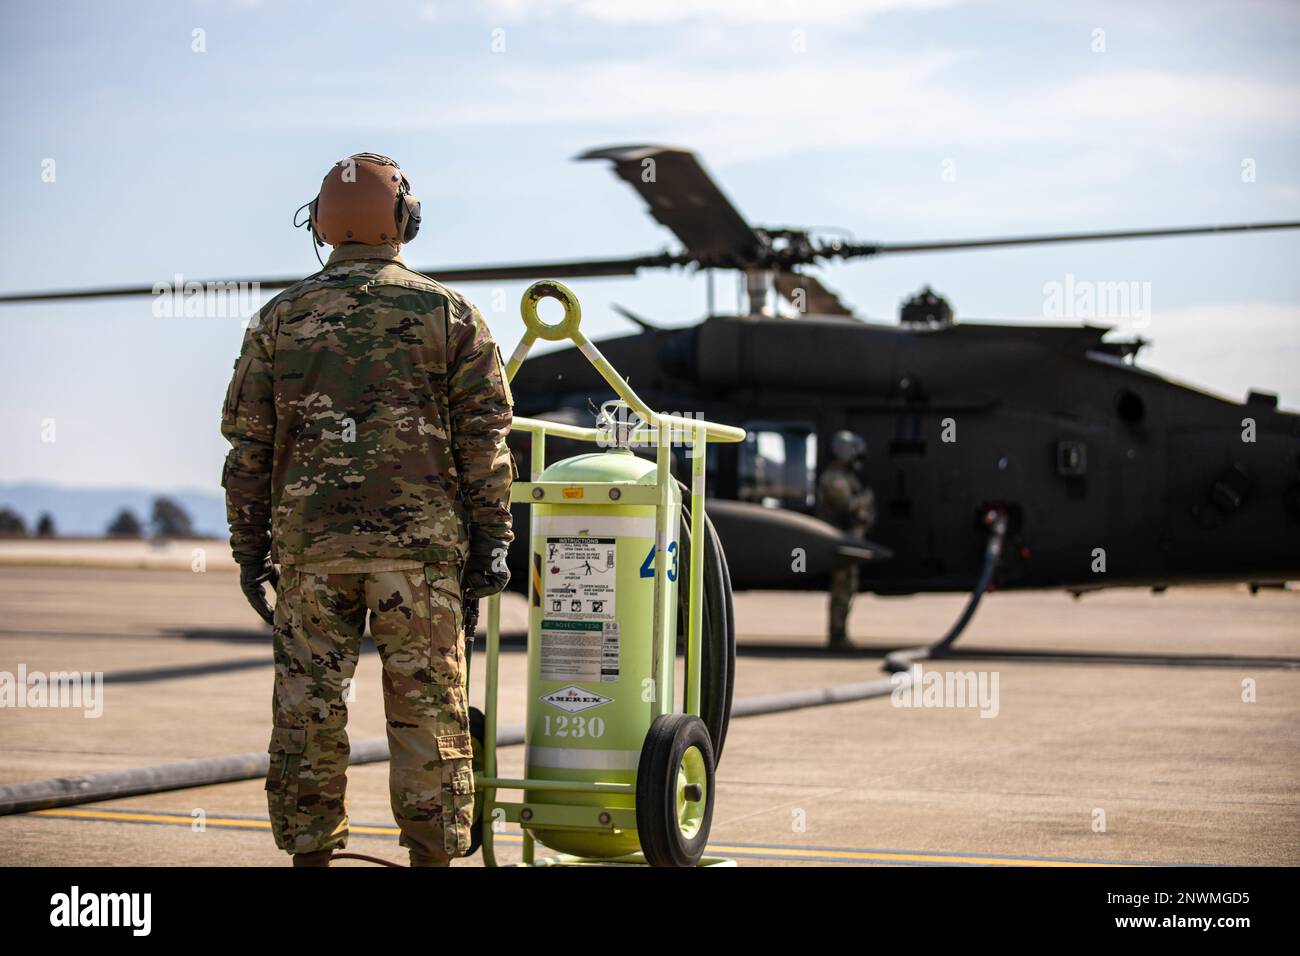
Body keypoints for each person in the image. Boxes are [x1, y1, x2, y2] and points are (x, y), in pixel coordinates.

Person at [220, 153, 515, 867]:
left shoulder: (279, 319)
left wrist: (248, 551)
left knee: (307, 717)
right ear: (403, 221)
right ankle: (432, 859)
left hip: (311, 556)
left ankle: (312, 858)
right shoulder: (449, 312)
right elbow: (486, 439)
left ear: (321, 225)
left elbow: (247, 448)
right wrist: (491, 544)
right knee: (427, 716)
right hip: (420, 559)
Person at [816, 430, 875, 649]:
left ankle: (840, 634)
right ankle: (837, 635)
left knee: (848, 590)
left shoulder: (847, 477)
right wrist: (865, 499)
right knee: (841, 591)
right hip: (840, 543)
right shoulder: (834, 479)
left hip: (851, 541)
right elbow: (848, 505)